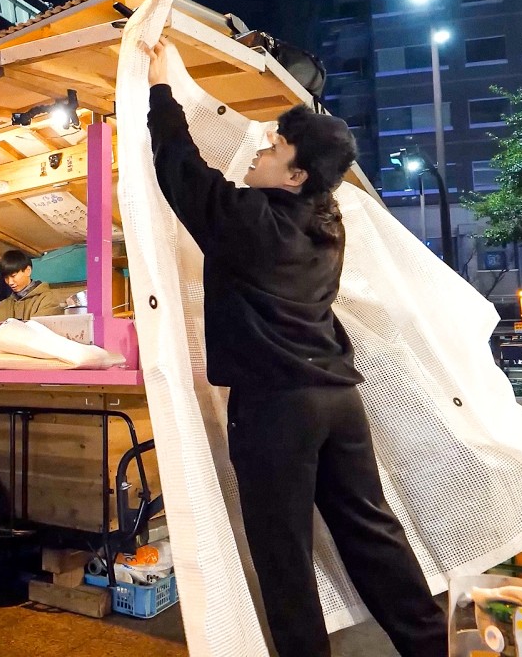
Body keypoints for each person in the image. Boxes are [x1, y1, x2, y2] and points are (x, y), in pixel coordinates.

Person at [143, 37, 447, 657]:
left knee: (283, 553)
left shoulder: (257, 222)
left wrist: (160, 89)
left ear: (296, 174)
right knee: (373, 533)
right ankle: (429, 646)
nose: (261, 146)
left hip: (278, 405)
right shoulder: (325, 223)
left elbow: (182, 171)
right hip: (338, 400)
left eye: (276, 145)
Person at [0, 250, 62, 321]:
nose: (10, 282)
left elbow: (40, 329)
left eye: (13, 276)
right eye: (6, 278)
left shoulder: (47, 299)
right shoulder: (4, 304)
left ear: (28, 271)